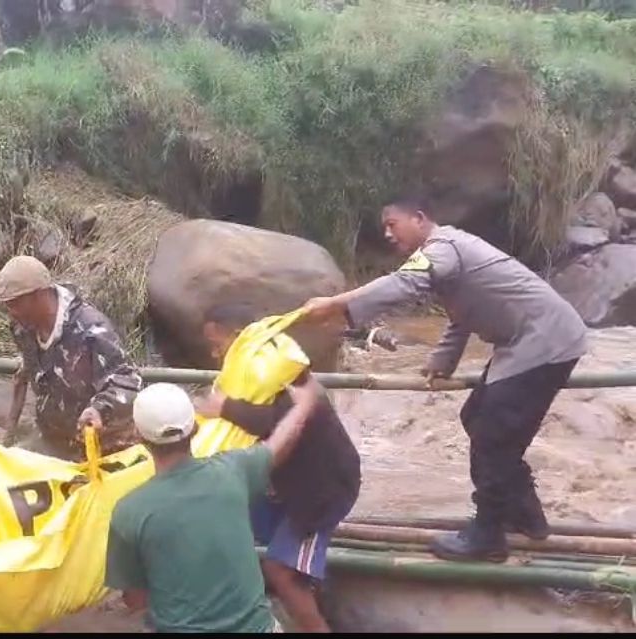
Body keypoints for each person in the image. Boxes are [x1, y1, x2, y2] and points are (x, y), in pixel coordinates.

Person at [301, 194, 587, 563]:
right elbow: (462, 314)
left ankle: (488, 534)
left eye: (393, 223)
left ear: (419, 219)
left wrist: (337, 303)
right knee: (477, 418)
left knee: (493, 437)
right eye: (384, 227)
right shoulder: (447, 255)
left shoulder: (442, 247)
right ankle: (526, 516)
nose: (388, 233)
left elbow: (403, 284)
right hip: (529, 341)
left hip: (544, 341)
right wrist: (443, 360)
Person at [194, 302, 360, 632]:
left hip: (322, 492)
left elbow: (278, 420)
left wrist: (224, 407)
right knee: (227, 527)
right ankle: (304, 597)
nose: (215, 355)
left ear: (239, 338)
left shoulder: (275, 369)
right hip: (284, 486)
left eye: (217, 345)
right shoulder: (251, 373)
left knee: (279, 570)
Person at [105, 381, 322, 633]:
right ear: (195, 428)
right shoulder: (234, 471)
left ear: (137, 435)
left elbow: (136, 600)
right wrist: (304, 404)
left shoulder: (129, 512)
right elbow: (280, 443)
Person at [0, 255, 142, 461]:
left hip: (104, 448)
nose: (11, 312)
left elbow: (128, 381)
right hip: (53, 442)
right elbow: (30, 373)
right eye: (7, 305)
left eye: (15, 303)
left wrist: (98, 410)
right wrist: (9, 434)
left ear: (40, 294)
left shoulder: (91, 329)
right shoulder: (22, 329)